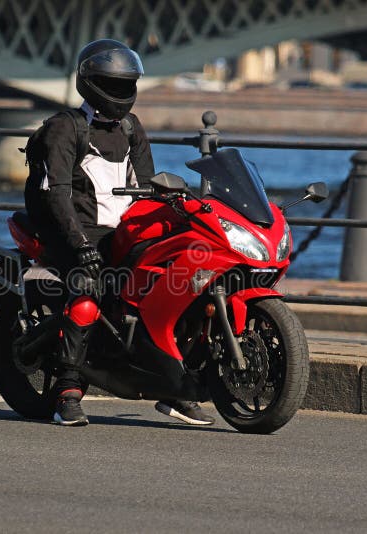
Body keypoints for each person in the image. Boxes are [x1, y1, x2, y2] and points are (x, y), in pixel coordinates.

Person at [24, 39, 215, 427]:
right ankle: (67, 391)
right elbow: (57, 194)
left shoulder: (130, 127)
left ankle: (173, 389)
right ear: (92, 82)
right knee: (87, 298)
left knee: (176, 287)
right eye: (113, 83)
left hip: (124, 232)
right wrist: (79, 244)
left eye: (127, 82)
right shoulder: (64, 128)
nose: (122, 91)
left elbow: (148, 187)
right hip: (75, 232)